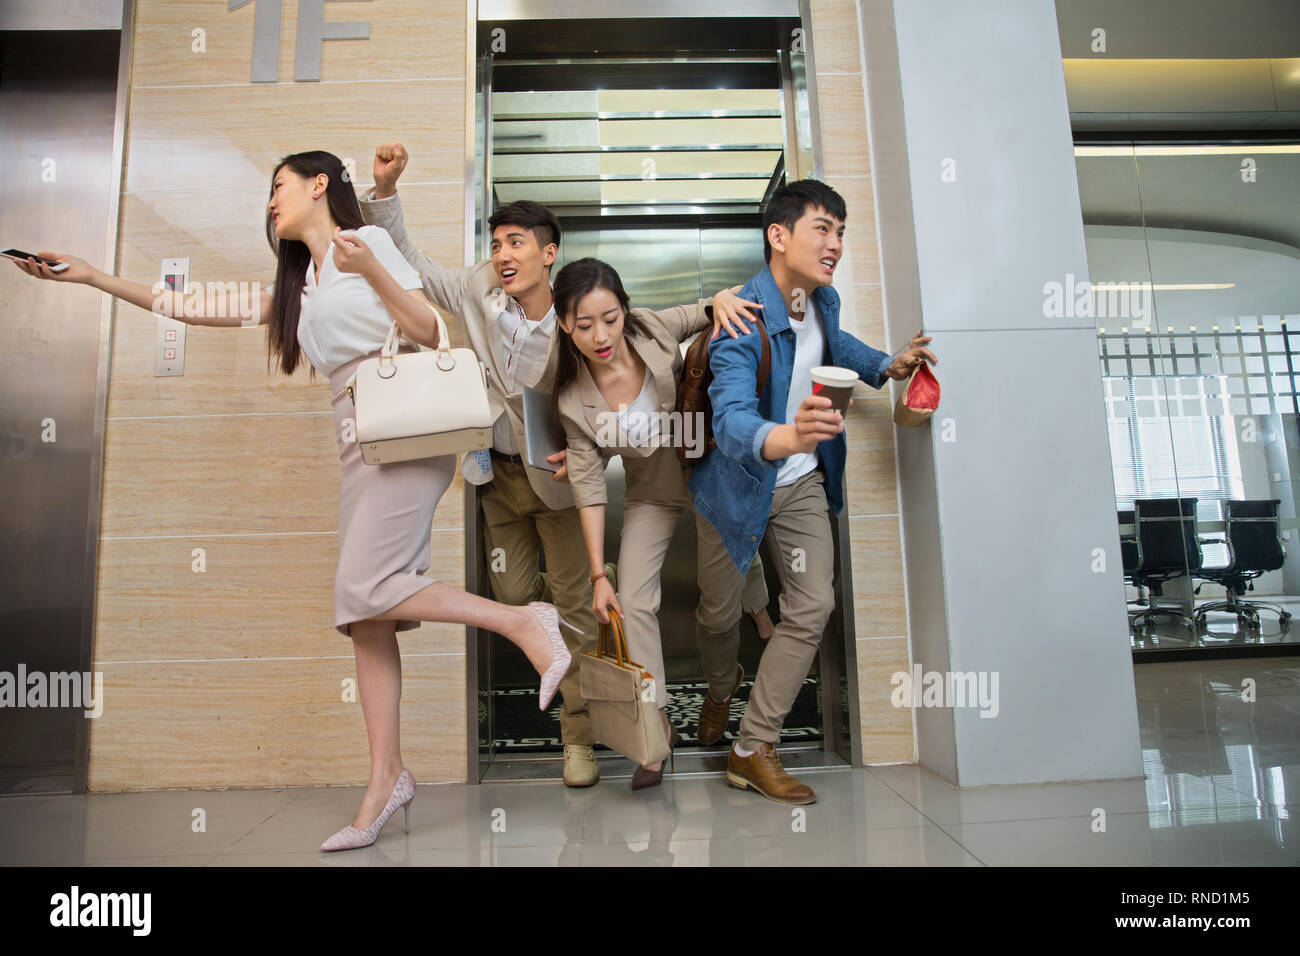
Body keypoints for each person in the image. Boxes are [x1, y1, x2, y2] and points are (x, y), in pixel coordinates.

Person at [11, 149, 578, 849]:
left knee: (366, 586)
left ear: (318, 185)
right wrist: (93, 277)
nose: (270, 201)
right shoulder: (299, 285)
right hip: (358, 441)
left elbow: (432, 331)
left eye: (277, 187)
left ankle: (526, 621)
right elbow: (185, 305)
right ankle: (386, 778)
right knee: (364, 614)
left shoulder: (361, 245)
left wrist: (373, 271)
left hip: (403, 429)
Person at [356, 143, 769, 786]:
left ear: (549, 253)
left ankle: (655, 710)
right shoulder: (487, 300)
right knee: (537, 597)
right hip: (512, 477)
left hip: (637, 484)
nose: (502, 255)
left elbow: (699, 314)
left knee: (687, 608)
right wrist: (384, 196)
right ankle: (615, 658)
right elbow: (414, 265)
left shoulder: (612, 330)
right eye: (496, 243)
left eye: (516, 242)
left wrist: (722, 295)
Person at [690, 178, 937, 805]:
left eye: (841, 233)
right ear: (779, 235)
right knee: (720, 617)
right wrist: (788, 434)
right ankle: (721, 689)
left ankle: (751, 748)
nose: (835, 244)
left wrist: (887, 364)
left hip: (798, 485)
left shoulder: (819, 301)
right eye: (822, 229)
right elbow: (730, 419)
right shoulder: (740, 318)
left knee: (812, 605)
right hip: (736, 489)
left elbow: (834, 345)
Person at [550, 257, 770, 789]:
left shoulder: (650, 327)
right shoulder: (572, 399)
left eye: (609, 318)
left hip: (707, 471)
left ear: (625, 311)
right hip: (652, 491)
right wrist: (599, 578)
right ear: (563, 325)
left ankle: (731, 667)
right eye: (583, 325)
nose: (600, 335)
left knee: (721, 595)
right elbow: (588, 486)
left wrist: (719, 298)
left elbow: (709, 309)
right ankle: (654, 730)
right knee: (634, 599)